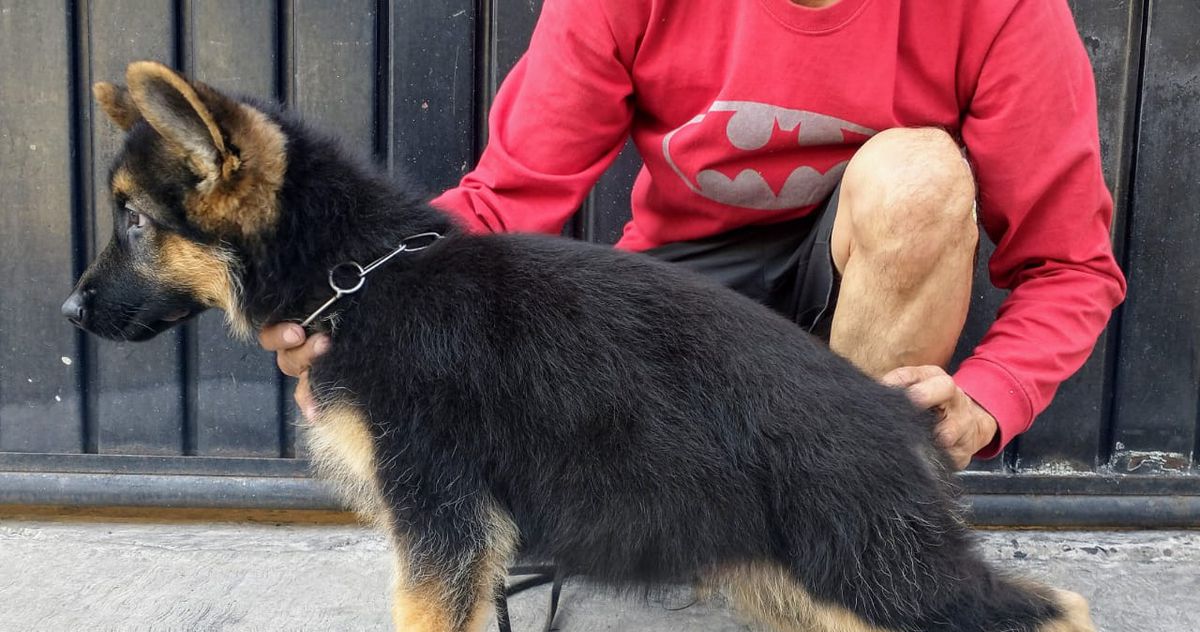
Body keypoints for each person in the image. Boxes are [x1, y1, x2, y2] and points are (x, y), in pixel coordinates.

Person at [261, 0, 1125, 470]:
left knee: (919, 178)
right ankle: (721, 515)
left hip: (864, 315)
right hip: (681, 308)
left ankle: (846, 548)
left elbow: (1069, 266)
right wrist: (358, 307)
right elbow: (507, 200)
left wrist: (988, 399)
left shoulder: (1004, 10)